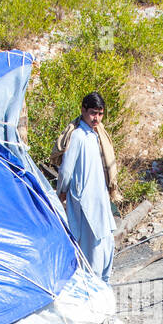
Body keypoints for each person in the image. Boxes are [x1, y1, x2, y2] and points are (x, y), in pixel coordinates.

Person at [56, 92, 116, 281]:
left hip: (100, 198)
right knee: (91, 247)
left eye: (100, 114)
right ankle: (93, 287)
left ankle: (101, 285)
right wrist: (61, 192)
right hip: (85, 201)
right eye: (92, 113)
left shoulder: (96, 135)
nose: (96, 118)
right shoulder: (79, 136)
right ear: (83, 111)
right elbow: (66, 170)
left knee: (104, 243)